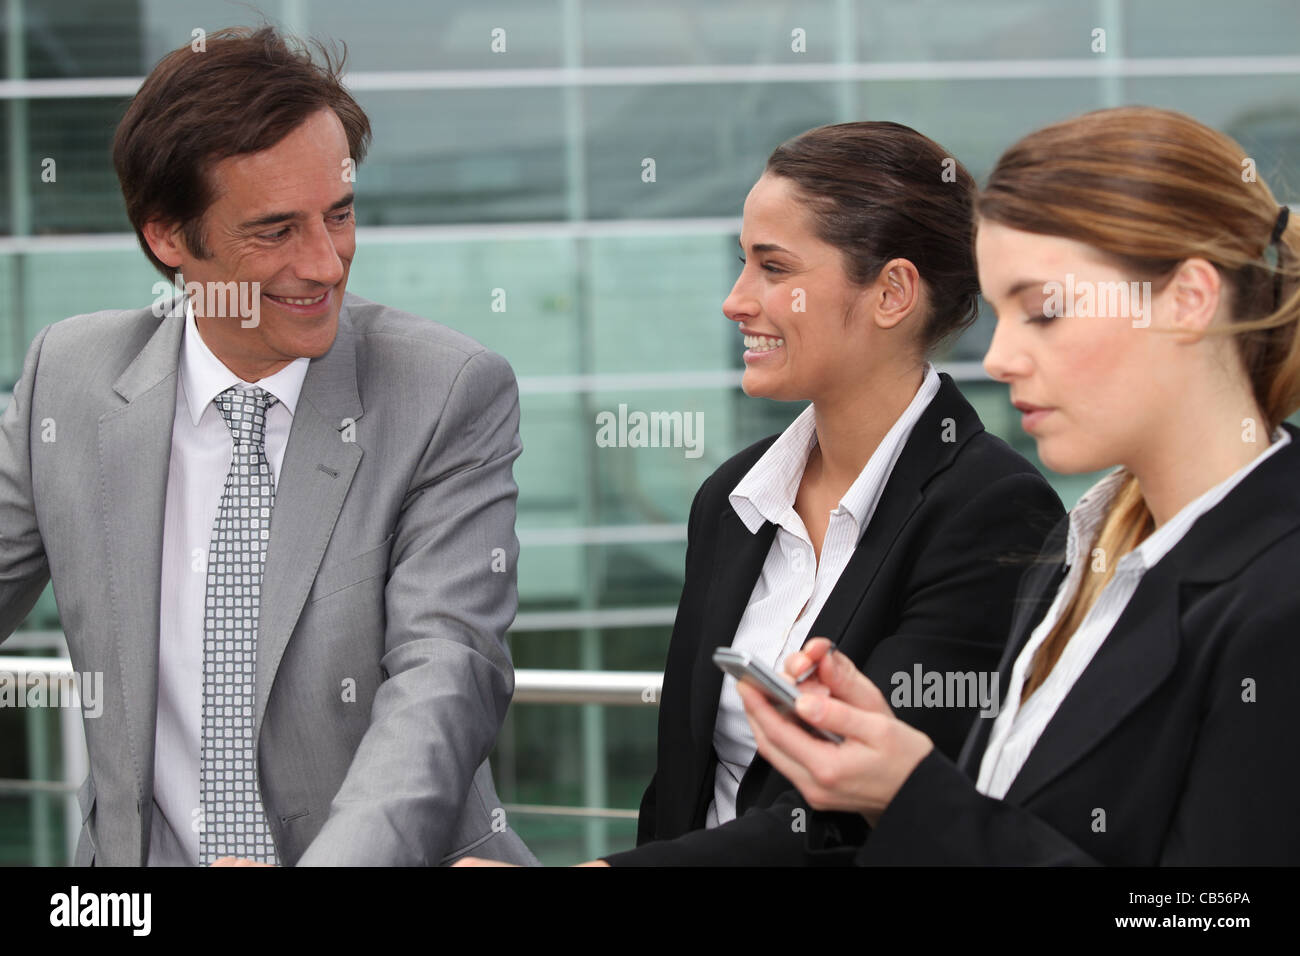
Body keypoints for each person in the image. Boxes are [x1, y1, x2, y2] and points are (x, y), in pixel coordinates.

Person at [0, 26, 535, 866]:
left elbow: (444, 677)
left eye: (341, 214)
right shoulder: (66, 378)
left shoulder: (447, 391)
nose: (325, 263)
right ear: (170, 238)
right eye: (276, 230)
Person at [742, 105, 1300, 866]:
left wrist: (914, 795)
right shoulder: (1085, 557)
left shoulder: (1279, 597)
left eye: (1043, 311)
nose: (999, 359)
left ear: (1188, 301)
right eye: (1001, 315)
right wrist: (902, 772)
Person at [590, 122, 1064, 865]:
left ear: (892, 293)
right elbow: (680, 786)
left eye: (774, 269)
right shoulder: (732, 499)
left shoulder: (994, 510)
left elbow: (850, 824)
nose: (736, 301)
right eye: (742, 264)